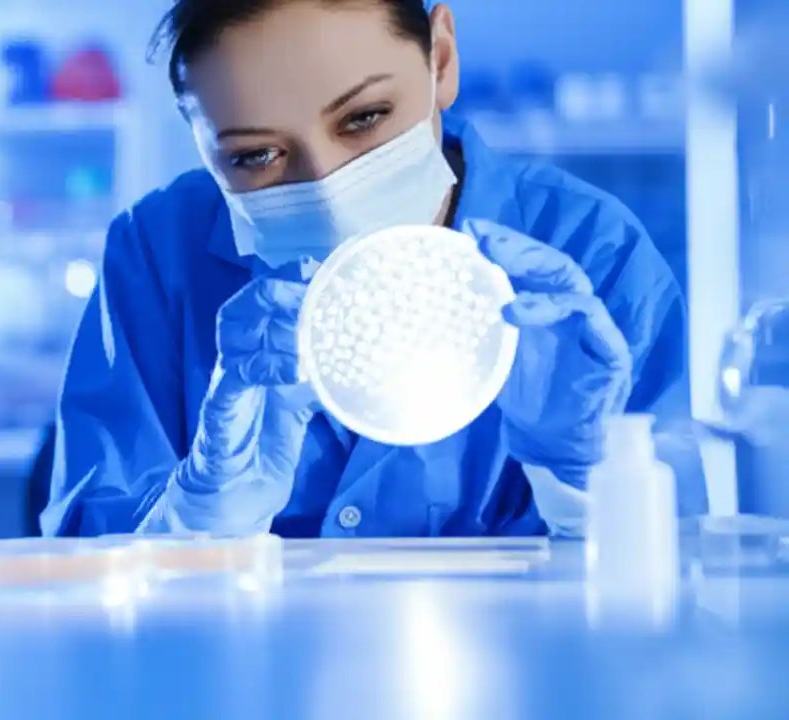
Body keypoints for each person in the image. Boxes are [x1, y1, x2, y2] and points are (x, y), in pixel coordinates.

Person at [41, 0, 707, 538]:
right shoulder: (159, 252)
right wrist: (196, 516)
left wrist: (585, 483)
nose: (329, 187)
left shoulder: (590, 251)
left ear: (439, 59)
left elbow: (686, 589)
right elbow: (80, 571)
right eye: (254, 157)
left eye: (365, 118)